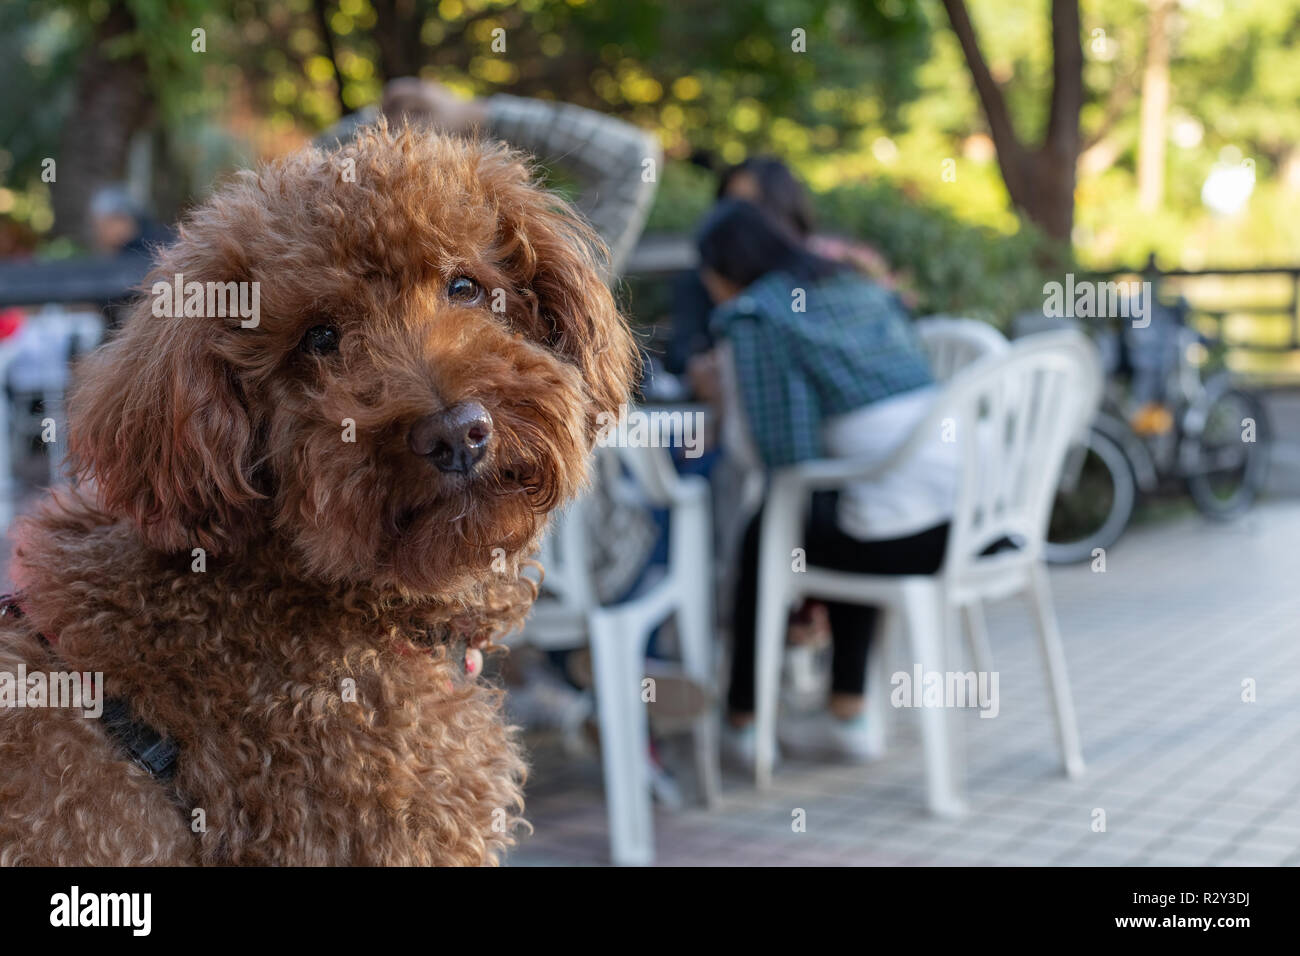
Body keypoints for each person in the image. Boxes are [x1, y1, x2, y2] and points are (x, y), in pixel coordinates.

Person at [696, 199, 957, 764]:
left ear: (723, 270)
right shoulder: (858, 285)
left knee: (772, 528)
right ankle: (847, 710)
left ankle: (743, 723)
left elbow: (777, 457)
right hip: (972, 519)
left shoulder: (758, 317)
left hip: (901, 536)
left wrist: (725, 397)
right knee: (841, 508)